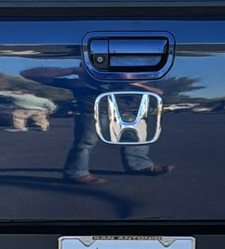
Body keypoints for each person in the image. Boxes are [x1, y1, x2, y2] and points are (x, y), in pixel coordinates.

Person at [20, 67, 174, 186]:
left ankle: (140, 165)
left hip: (124, 115)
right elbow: (28, 74)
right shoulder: (79, 83)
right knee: (85, 143)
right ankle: (76, 173)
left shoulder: (123, 83)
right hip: (91, 114)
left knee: (138, 138)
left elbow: (158, 92)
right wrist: (71, 70)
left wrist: (133, 82)